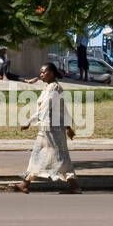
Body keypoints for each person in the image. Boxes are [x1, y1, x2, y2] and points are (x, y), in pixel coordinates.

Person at [13, 63, 82, 194]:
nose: (41, 75)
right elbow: (62, 110)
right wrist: (68, 127)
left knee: (60, 157)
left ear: (51, 73)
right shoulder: (49, 88)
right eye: (41, 72)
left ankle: (75, 186)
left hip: (53, 129)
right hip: (46, 128)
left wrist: (29, 121)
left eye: (43, 72)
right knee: (36, 155)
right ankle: (25, 184)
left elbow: (46, 108)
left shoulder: (54, 89)